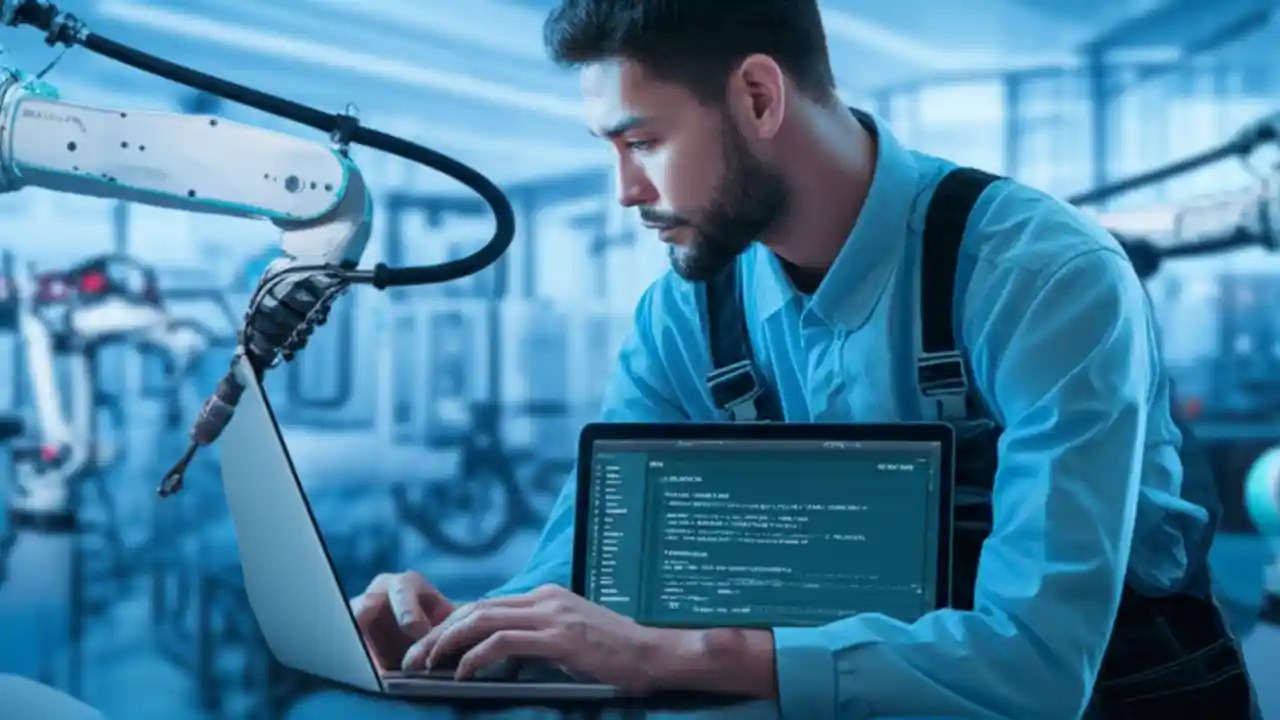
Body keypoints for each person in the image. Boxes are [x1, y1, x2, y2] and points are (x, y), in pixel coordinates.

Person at [351, 1, 1260, 717]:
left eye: (643, 143)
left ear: (758, 96)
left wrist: (682, 654)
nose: (624, 191)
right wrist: (465, 629)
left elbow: (1037, 668)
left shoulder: (1044, 278)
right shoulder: (685, 311)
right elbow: (590, 569)